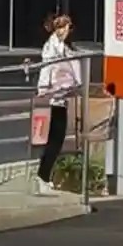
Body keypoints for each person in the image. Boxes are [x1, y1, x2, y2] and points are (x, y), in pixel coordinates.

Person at [35, 13, 82, 195]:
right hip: (54, 98)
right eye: (65, 28)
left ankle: (45, 178)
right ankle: (43, 178)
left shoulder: (60, 46)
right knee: (54, 139)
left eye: (68, 28)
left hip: (60, 96)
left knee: (56, 139)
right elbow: (48, 69)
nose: (67, 32)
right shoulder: (52, 47)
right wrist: (44, 90)